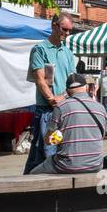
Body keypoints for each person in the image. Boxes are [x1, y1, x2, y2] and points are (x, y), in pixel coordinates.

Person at [23, 12, 77, 174]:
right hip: (47, 111)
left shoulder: (67, 53)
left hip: (63, 110)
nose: (67, 33)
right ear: (54, 26)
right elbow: (40, 80)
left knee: (47, 150)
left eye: (70, 31)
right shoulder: (40, 49)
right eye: (64, 29)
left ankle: (29, 180)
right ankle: (36, 183)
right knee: (48, 151)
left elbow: (72, 82)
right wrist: (52, 100)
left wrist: (65, 98)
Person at [30, 73, 107, 174]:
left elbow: (48, 141)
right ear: (86, 87)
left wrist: (59, 137)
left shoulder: (61, 107)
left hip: (67, 165)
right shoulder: (101, 108)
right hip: (96, 164)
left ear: (67, 91)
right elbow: (102, 135)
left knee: (33, 174)